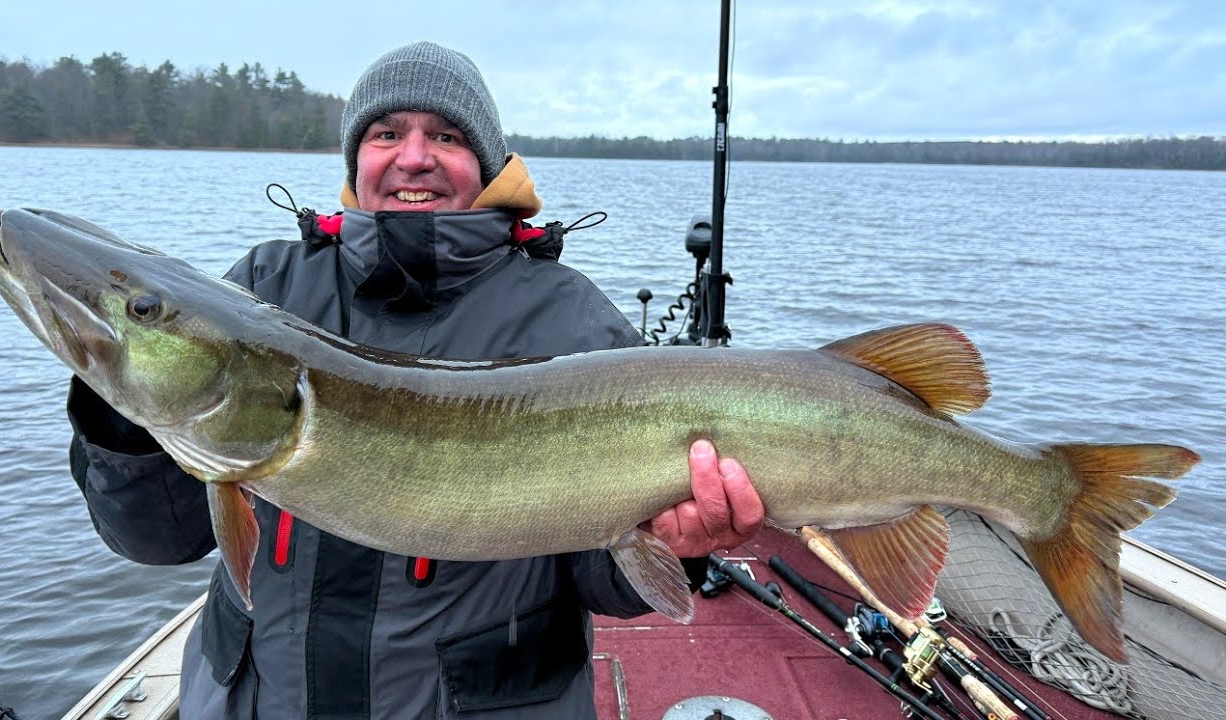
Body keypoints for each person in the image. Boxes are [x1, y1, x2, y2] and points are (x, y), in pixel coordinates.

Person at [67, 41, 764, 719]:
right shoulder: (265, 287)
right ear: (355, 157)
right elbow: (157, 540)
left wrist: (677, 537)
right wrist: (124, 416)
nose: (414, 157)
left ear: (485, 164)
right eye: (386, 132)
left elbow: (600, 576)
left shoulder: (569, 319)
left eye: (448, 135)